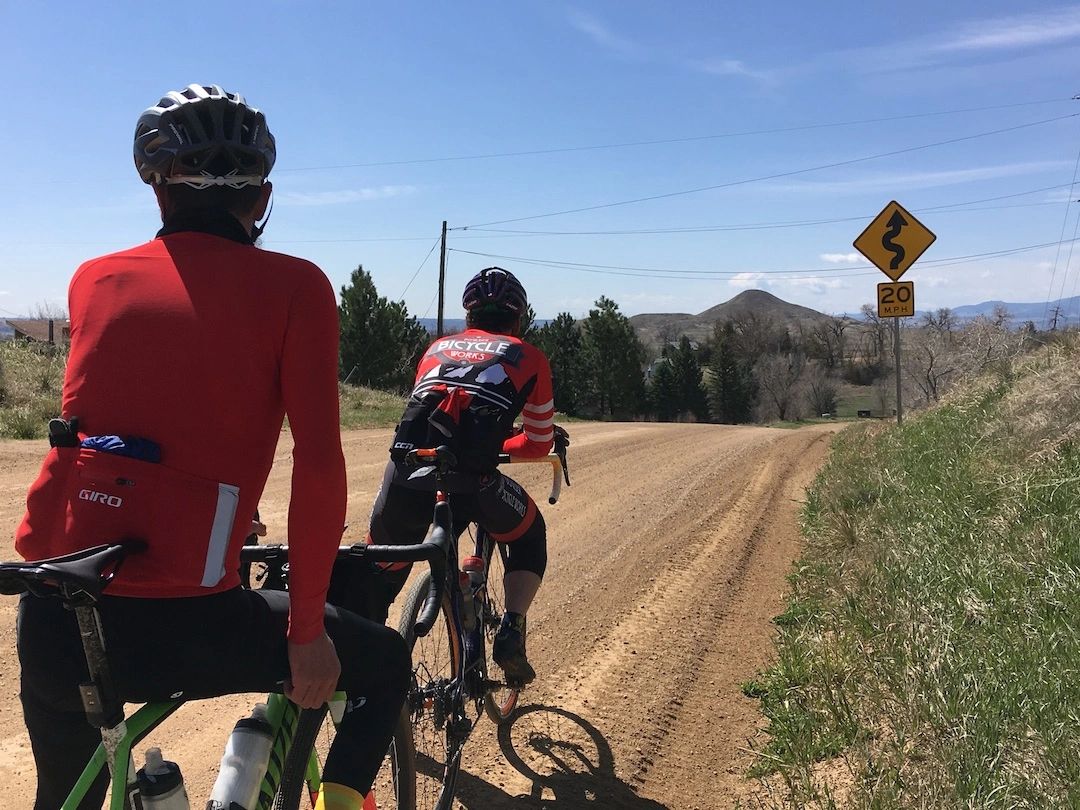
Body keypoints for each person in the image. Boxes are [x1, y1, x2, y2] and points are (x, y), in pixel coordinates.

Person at [14, 84, 408, 810]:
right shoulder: (297, 286)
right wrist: (307, 628)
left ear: (157, 192)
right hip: (185, 624)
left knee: (62, 795)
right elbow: (319, 466)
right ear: (260, 200)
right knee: (385, 665)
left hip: (57, 614)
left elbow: (135, 430)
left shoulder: (91, 280)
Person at [362, 266, 555, 685]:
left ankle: (362, 651)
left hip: (406, 475)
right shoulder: (528, 356)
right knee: (529, 533)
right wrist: (498, 445)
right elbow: (539, 444)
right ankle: (512, 629)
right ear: (518, 318)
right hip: (472, 482)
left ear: (468, 318)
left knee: (382, 565)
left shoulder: (436, 348)